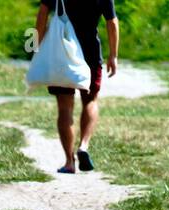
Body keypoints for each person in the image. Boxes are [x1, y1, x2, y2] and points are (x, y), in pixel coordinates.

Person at [35, 0, 118, 174]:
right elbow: (111, 21)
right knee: (90, 100)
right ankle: (84, 146)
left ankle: (69, 162)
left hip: (60, 50)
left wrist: (38, 45)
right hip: (90, 52)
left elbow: (42, 12)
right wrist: (113, 55)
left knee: (64, 107)